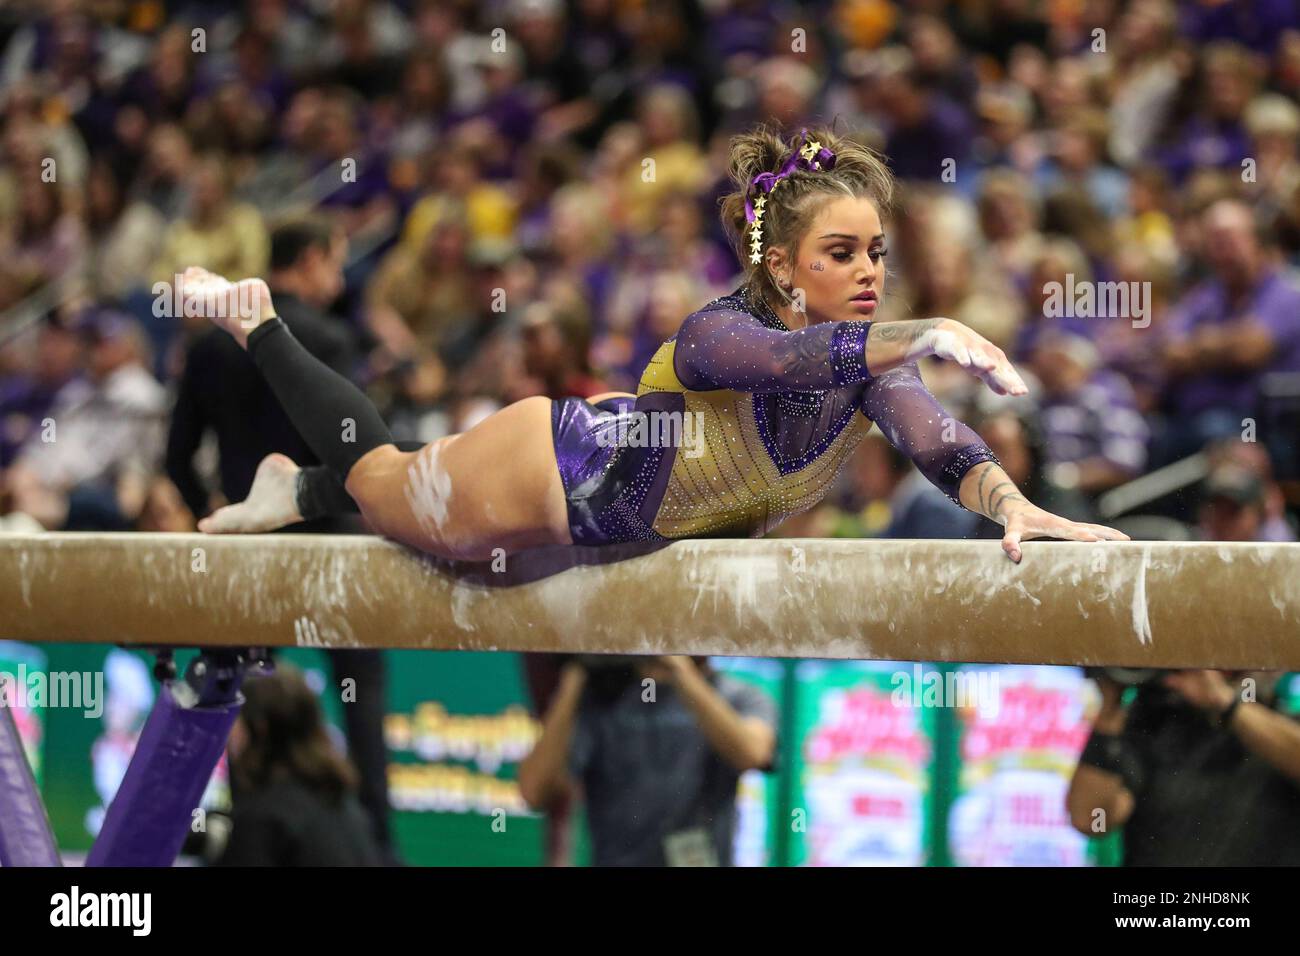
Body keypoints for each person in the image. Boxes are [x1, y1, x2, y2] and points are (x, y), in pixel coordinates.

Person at [176, 126, 1129, 565]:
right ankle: (259, 322)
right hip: (552, 469)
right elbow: (789, 364)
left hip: (606, 538)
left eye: (877, 251)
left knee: (384, 499)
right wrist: (923, 330)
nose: (869, 269)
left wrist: (1015, 506)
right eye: (842, 253)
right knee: (385, 484)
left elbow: (939, 444)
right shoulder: (722, 331)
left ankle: (293, 491)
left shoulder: (869, 376)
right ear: (788, 269)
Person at [166, 217, 398, 863]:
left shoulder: (209, 348)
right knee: (362, 699)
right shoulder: (327, 336)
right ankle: (376, 847)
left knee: (239, 694)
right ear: (315, 257)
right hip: (333, 544)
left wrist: (209, 511)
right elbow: (357, 451)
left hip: (249, 540)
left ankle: (251, 837)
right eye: (336, 262)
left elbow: (177, 456)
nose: (337, 279)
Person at [517, 655, 776, 866]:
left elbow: (753, 753)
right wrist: (574, 676)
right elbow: (532, 791)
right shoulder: (601, 700)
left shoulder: (739, 696)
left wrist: (680, 671)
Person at [217, 665, 382, 867]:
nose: (229, 733)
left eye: (235, 719)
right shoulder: (344, 805)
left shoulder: (261, 817)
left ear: (260, 728)